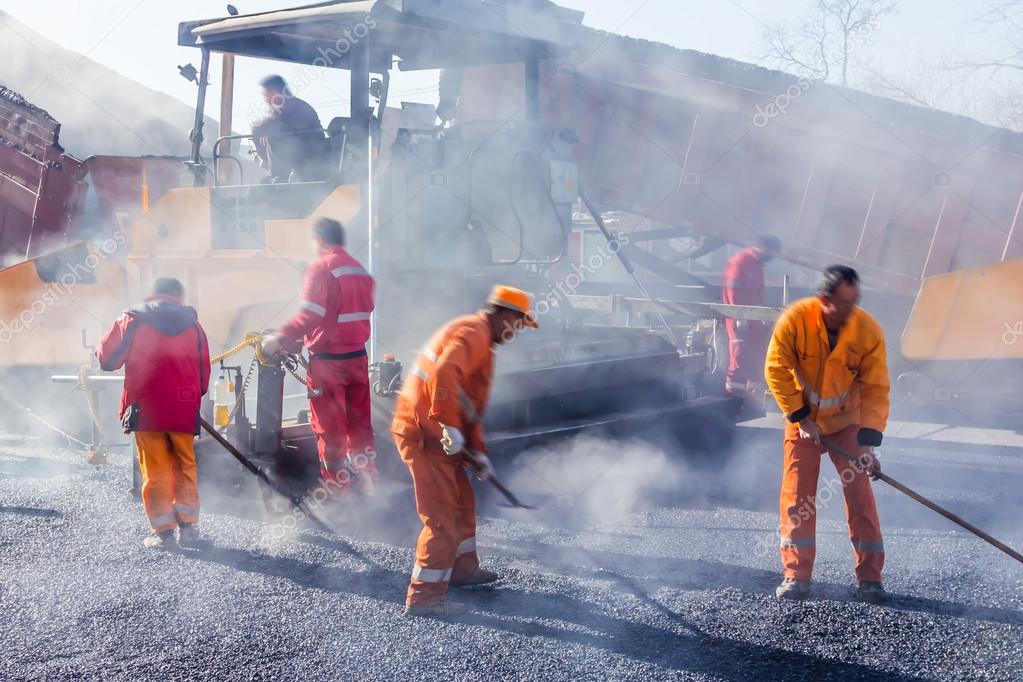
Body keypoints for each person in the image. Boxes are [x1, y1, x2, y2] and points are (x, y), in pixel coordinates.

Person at [392, 285, 538, 617]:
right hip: (423, 435)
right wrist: (447, 425)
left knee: (463, 503)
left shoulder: (482, 342)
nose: (515, 333)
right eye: (517, 324)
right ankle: (425, 598)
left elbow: (468, 407)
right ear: (503, 314)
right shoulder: (473, 332)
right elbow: (444, 373)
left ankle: (462, 571)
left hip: (438, 432)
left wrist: (478, 451)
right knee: (442, 517)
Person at [764, 265, 890, 603]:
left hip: (848, 424)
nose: (851, 310)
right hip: (803, 422)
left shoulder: (867, 331)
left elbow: (876, 390)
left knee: (859, 494)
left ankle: (870, 577)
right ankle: (796, 575)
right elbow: (775, 369)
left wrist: (868, 444)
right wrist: (802, 418)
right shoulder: (795, 321)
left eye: (855, 301)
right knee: (798, 498)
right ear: (824, 300)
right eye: (844, 303)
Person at [261, 217, 378, 492]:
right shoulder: (361, 271)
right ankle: (370, 477)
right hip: (358, 358)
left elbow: (310, 315)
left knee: (329, 426)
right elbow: (346, 315)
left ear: (320, 239)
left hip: (328, 364)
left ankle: (339, 490)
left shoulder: (321, 267)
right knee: (360, 424)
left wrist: (278, 338)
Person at [96, 277, 211, 549]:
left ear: (152, 294)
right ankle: (189, 528)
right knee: (185, 465)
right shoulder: (193, 325)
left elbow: (107, 360)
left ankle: (164, 533)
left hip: (146, 408)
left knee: (155, 469)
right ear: (177, 296)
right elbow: (204, 373)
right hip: (183, 409)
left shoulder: (132, 319)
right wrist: (192, 397)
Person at [723, 235, 781, 404]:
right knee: (740, 358)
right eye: (772, 252)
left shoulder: (755, 264)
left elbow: (757, 292)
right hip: (740, 320)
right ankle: (733, 398)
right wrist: (738, 315)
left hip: (754, 319)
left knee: (757, 356)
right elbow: (733, 289)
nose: (772, 256)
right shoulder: (741, 261)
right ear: (763, 247)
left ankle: (751, 397)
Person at [251, 74, 329, 182]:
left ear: (274, 92)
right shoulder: (287, 106)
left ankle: (278, 176)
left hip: (307, 163)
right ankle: (275, 174)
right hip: (303, 162)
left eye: (266, 95)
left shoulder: (291, 106)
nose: (265, 100)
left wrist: (260, 127)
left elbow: (271, 126)